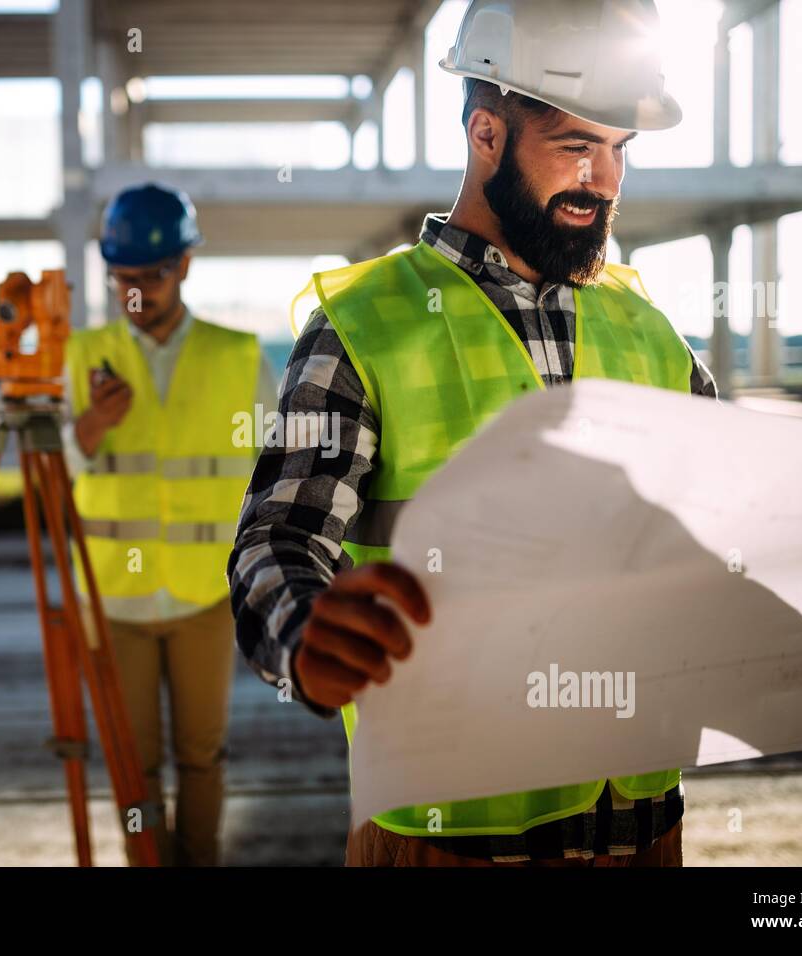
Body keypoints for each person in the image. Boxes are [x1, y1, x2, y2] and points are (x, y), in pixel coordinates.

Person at [229, 0, 719, 867]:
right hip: (449, 836)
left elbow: (730, 513)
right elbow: (279, 537)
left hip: (642, 825)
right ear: (486, 133)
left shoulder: (647, 328)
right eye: (576, 146)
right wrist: (304, 638)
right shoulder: (366, 326)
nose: (602, 180)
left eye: (618, 151)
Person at [64, 183, 278, 865]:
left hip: (204, 594)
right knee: (134, 765)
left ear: (184, 266)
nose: (136, 293)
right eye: (123, 278)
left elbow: (277, 470)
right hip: (111, 598)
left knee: (201, 757)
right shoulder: (79, 357)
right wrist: (92, 425)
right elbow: (49, 471)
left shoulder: (237, 355)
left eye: (151, 277)